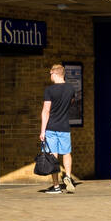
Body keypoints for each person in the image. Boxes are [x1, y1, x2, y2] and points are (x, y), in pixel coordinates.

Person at [39, 64, 79, 194]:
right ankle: (67, 176)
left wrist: (42, 131)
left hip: (51, 127)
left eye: (50, 73)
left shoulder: (49, 90)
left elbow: (46, 111)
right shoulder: (70, 89)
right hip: (64, 127)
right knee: (66, 153)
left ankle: (56, 186)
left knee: (53, 156)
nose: (50, 76)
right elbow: (71, 102)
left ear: (55, 73)